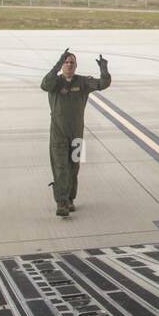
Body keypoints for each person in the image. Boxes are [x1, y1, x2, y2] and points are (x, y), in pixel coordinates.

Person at [42, 50, 110, 217]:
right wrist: (56, 65)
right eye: (66, 62)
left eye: (72, 62)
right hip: (58, 133)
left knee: (74, 167)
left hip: (77, 133)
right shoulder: (55, 82)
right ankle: (61, 202)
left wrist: (104, 68)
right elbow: (44, 84)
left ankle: (71, 199)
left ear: (76, 65)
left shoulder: (83, 82)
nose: (69, 64)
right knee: (60, 167)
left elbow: (103, 84)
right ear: (61, 65)